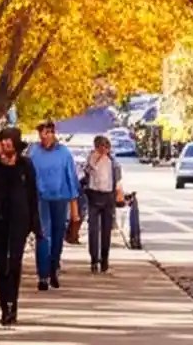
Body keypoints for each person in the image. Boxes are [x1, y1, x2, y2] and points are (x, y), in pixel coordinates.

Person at [0, 128, 41, 326]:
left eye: (8, 141)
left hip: (19, 221)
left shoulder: (26, 166)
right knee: (1, 266)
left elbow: (33, 196)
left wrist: (34, 223)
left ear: (15, 143)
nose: (5, 144)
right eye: (2, 141)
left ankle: (13, 305)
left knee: (14, 263)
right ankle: (4, 305)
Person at [29, 122, 81, 291]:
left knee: (58, 234)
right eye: (43, 133)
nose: (46, 136)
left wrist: (74, 209)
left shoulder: (64, 153)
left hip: (61, 197)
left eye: (49, 132)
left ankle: (54, 268)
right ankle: (43, 275)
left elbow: (71, 179)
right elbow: (29, 176)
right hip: (41, 198)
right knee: (43, 234)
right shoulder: (34, 152)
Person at [81, 135, 123, 273]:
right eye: (100, 146)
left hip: (108, 198)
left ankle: (104, 257)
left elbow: (117, 180)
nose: (103, 149)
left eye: (106, 146)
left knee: (106, 230)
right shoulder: (91, 158)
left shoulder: (113, 162)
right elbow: (88, 171)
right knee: (93, 229)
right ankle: (94, 258)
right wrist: (97, 158)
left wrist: (119, 195)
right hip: (94, 196)